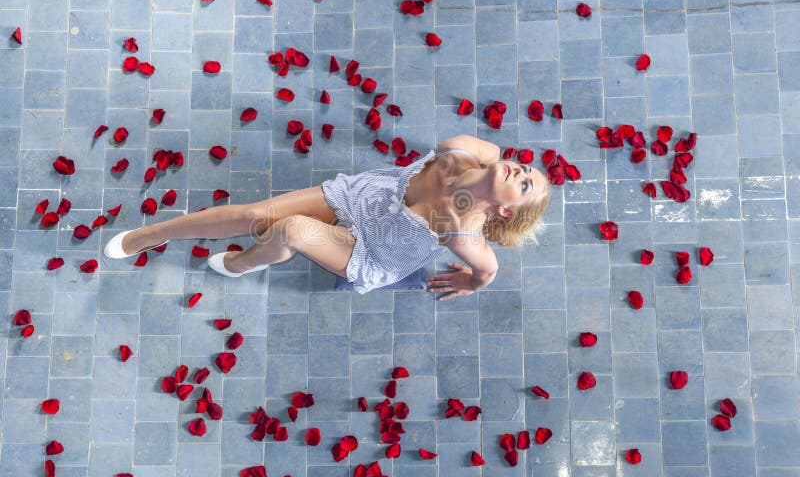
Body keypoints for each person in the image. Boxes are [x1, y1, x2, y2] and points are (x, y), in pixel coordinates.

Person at [104, 135, 550, 300]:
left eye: (525, 184)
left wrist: (469, 282)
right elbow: (492, 152)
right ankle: (151, 234)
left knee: (291, 230)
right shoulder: (465, 151)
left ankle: (245, 264)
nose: (519, 169)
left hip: (374, 250)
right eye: (526, 167)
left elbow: (488, 269)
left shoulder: (462, 231)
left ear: (505, 209)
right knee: (253, 214)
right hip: (365, 199)